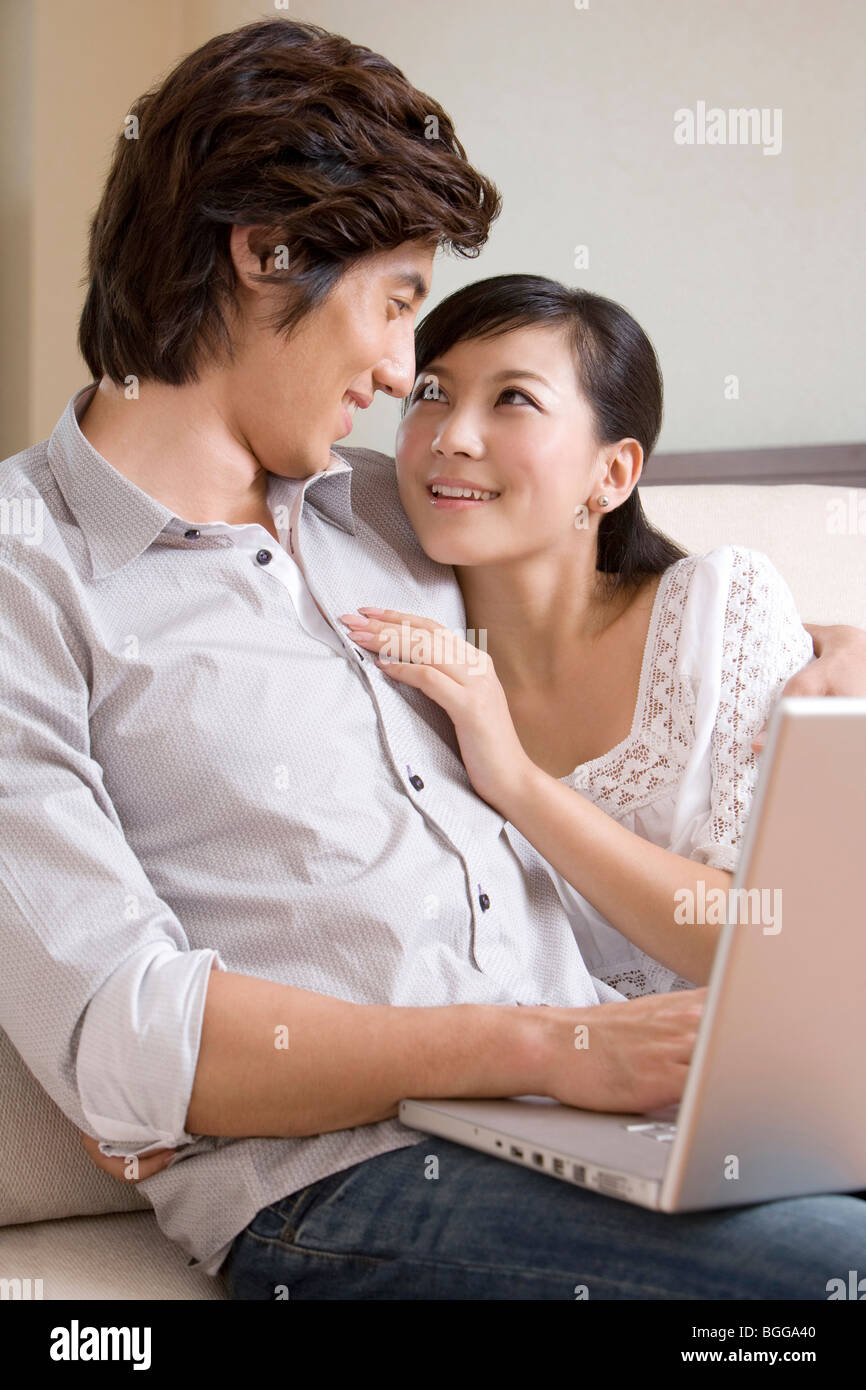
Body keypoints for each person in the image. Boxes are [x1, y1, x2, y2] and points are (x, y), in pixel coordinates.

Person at [3, 18, 865, 1300]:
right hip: (335, 1178)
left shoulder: (387, 508)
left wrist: (828, 639)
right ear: (263, 254)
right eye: (397, 305)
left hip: (589, 1122)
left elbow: (611, 565)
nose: (404, 376)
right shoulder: (32, 573)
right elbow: (128, 1044)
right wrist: (552, 1044)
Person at [342, 274, 815, 997]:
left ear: (613, 472)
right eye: (432, 392)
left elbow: (765, 945)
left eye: (514, 399)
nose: (451, 437)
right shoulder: (376, 614)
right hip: (510, 1093)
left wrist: (516, 783)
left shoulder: (718, 613)